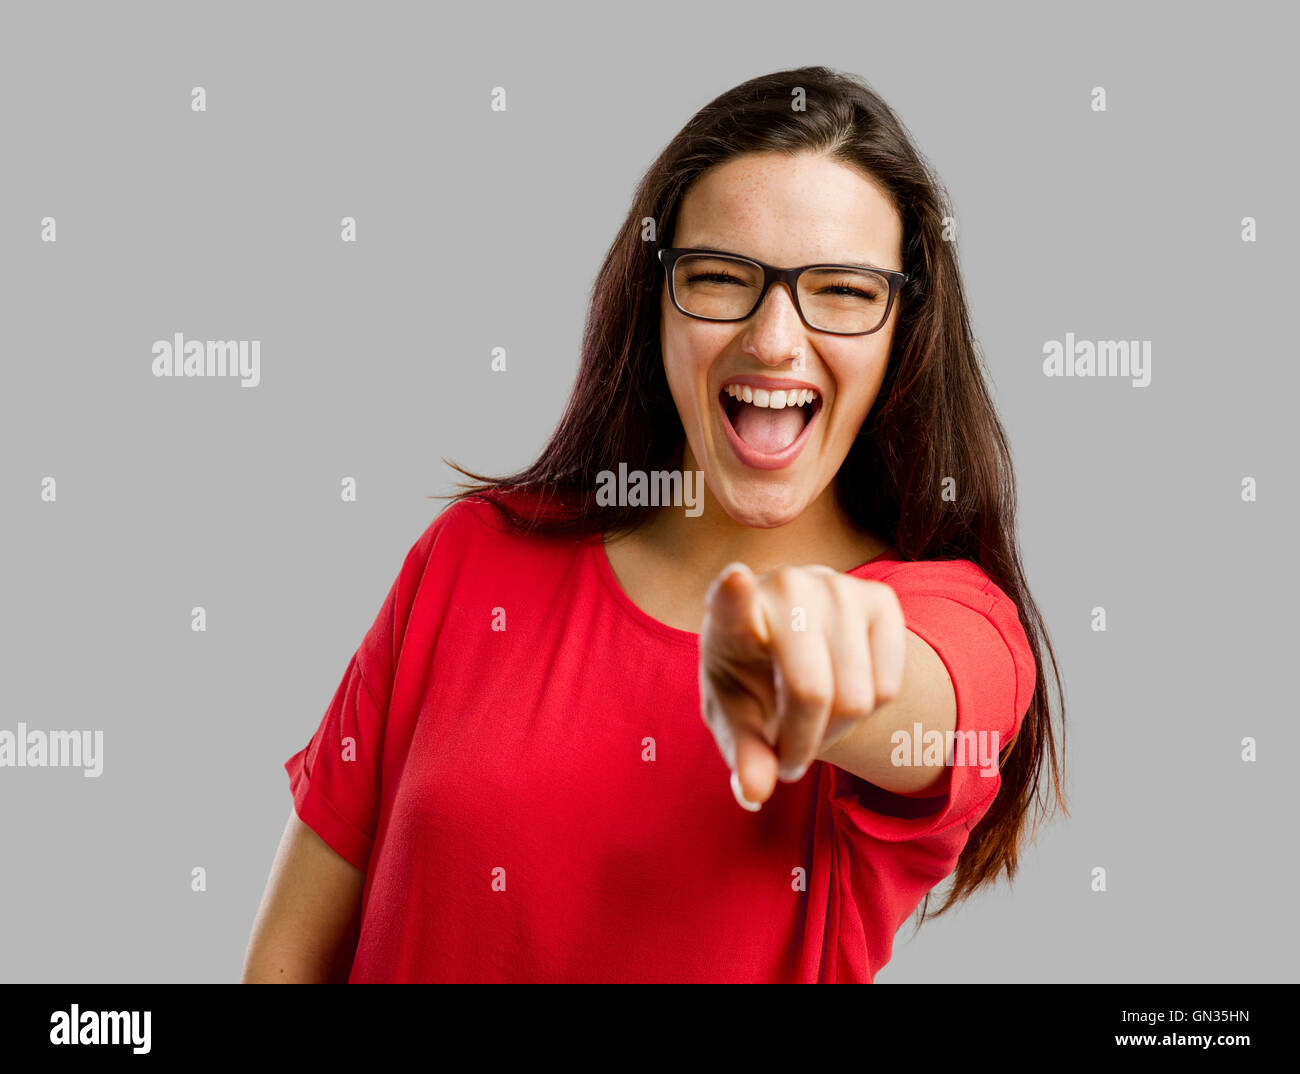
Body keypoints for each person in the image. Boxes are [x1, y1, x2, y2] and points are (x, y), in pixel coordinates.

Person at [242, 65, 1065, 984]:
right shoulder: (470, 559)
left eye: (842, 290)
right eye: (720, 278)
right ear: (656, 300)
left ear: (902, 329)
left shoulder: (958, 622)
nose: (775, 339)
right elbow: (285, 965)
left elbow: (927, 698)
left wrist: (819, 668)